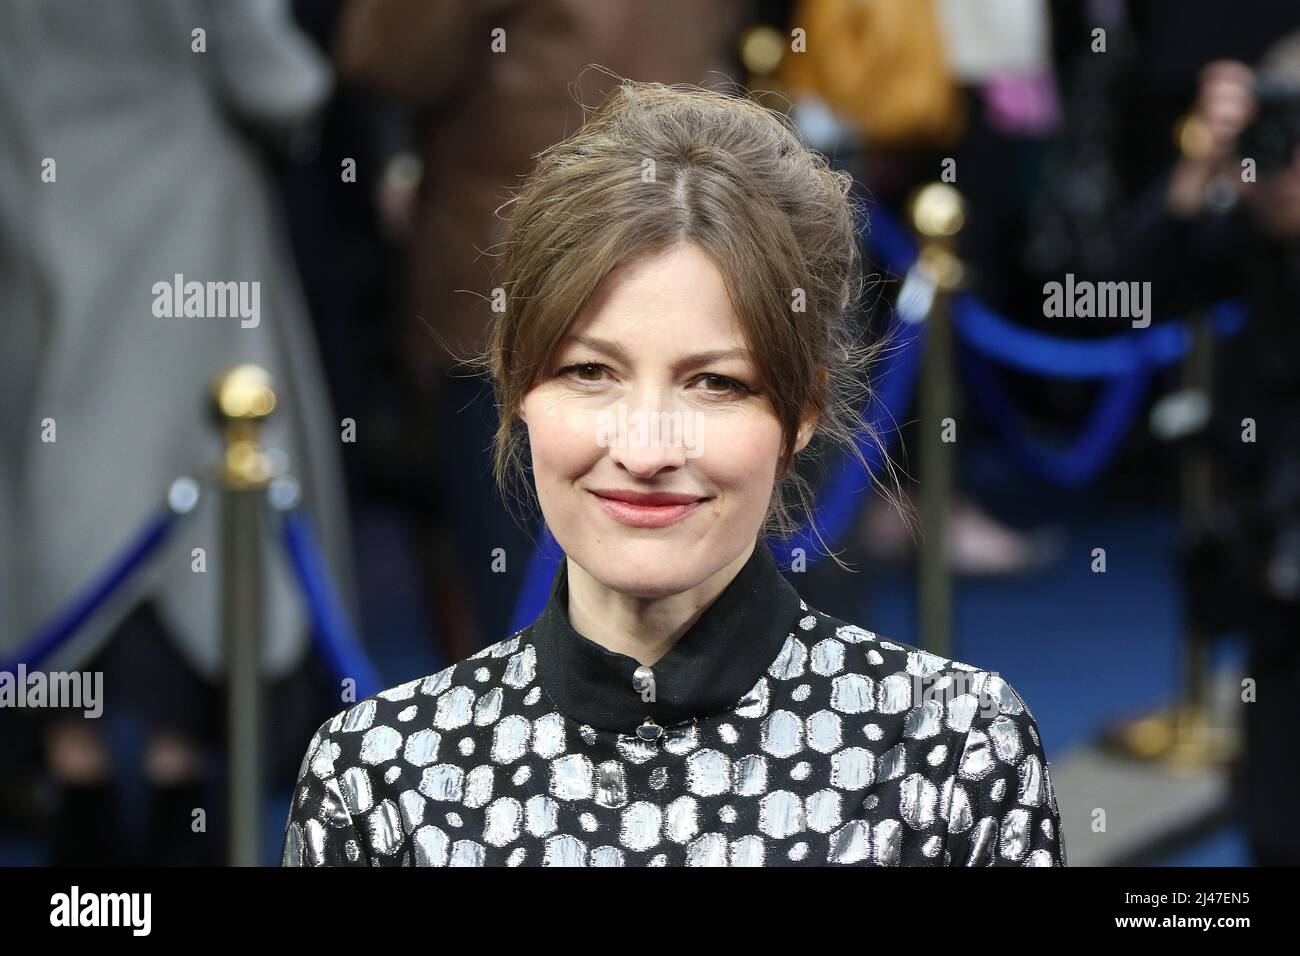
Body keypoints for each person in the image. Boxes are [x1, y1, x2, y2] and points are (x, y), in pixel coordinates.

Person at [280, 80, 1065, 867]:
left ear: (801, 412)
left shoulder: (954, 756)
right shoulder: (380, 781)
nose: (647, 448)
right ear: (517, 388)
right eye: (590, 372)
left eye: (715, 383)